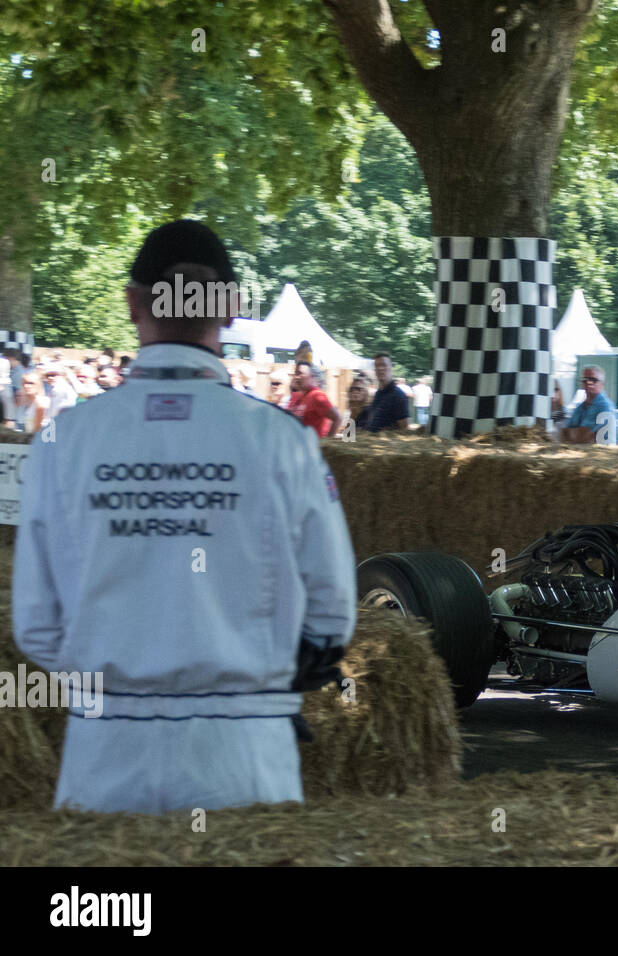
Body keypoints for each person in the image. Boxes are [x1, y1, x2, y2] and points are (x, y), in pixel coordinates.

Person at [13, 218, 356, 814]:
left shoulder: (63, 442)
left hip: (106, 755)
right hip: (245, 754)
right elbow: (331, 615)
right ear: (228, 310)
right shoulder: (282, 441)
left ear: (131, 304)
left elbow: (37, 627)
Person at [561, 365, 617, 444]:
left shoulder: (604, 406)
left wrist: (573, 434)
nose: (588, 383)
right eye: (585, 380)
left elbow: (582, 436)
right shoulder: (581, 407)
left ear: (602, 384)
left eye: (593, 380)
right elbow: (565, 434)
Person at [357, 351, 410, 432]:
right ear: (374, 370)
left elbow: (404, 429)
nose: (380, 368)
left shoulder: (398, 396)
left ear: (390, 368)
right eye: (377, 366)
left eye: (384, 365)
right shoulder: (378, 394)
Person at [288, 361, 341, 438]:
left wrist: (327, 444)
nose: (296, 377)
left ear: (311, 376)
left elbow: (337, 418)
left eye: (300, 373)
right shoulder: (296, 396)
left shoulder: (317, 396)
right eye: (296, 373)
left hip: (311, 447)